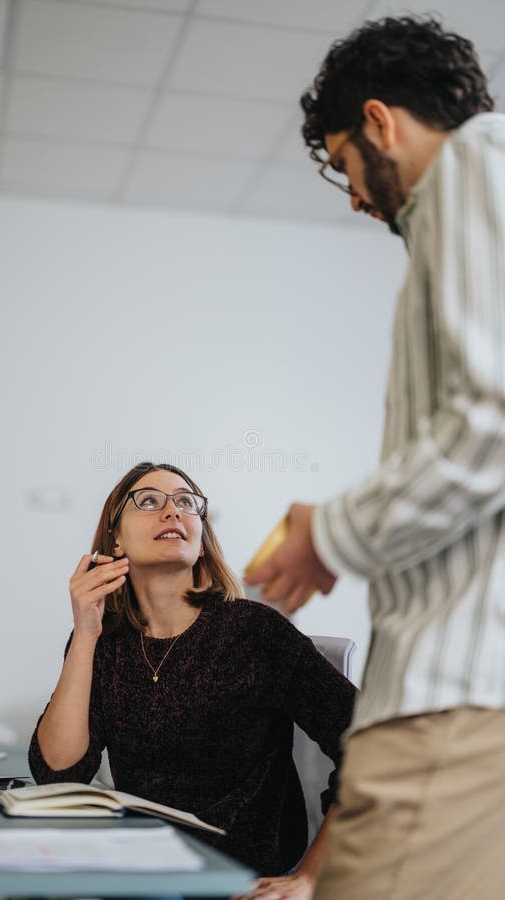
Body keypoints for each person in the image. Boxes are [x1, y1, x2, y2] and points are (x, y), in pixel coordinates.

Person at [245, 15, 505, 900]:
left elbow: (494, 420)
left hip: (456, 699)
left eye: (342, 160)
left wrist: (332, 533)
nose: (354, 194)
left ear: (380, 121)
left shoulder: (474, 163)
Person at [28, 462, 355, 894]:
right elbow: (58, 778)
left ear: (201, 542)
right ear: (116, 539)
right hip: (144, 872)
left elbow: (370, 748)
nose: (172, 511)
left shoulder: (255, 632)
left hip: (237, 879)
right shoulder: (104, 641)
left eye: (186, 502)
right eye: (148, 501)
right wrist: (86, 634)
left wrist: (311, 878)